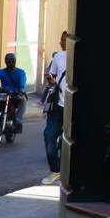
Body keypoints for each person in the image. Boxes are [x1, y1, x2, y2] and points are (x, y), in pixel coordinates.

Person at [42, 32, 68, 183]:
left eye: (63, 40)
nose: (60, 42)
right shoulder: (58, 57)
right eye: (61, 40)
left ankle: (68, 171)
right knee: (49, 135)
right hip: (58, 105)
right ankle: (55, 170)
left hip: (72, 107)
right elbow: (52, 77)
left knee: (69, 140)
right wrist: (50, 79)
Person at [0, 52, 29, 130]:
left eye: (12, 61)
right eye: (8, 61)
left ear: (15, 62)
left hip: (16, 94)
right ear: (6, 62)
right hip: (4, 94)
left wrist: (21, 91)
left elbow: (22, 83)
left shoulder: (21, 72)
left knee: (23, 101)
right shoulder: (1, 72)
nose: (10, 63)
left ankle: (18, 122)